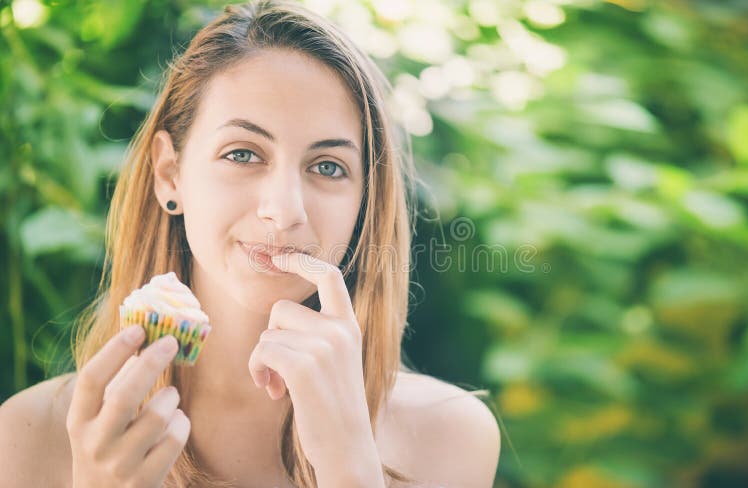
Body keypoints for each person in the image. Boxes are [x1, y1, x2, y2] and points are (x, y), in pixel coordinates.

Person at [0, 1, 501, 486]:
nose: (285, 212)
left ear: (365, 201)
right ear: (169, 173)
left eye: (327, 167)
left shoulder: (450, 435)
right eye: (243, 153)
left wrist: (351, 468)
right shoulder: (27, 438)